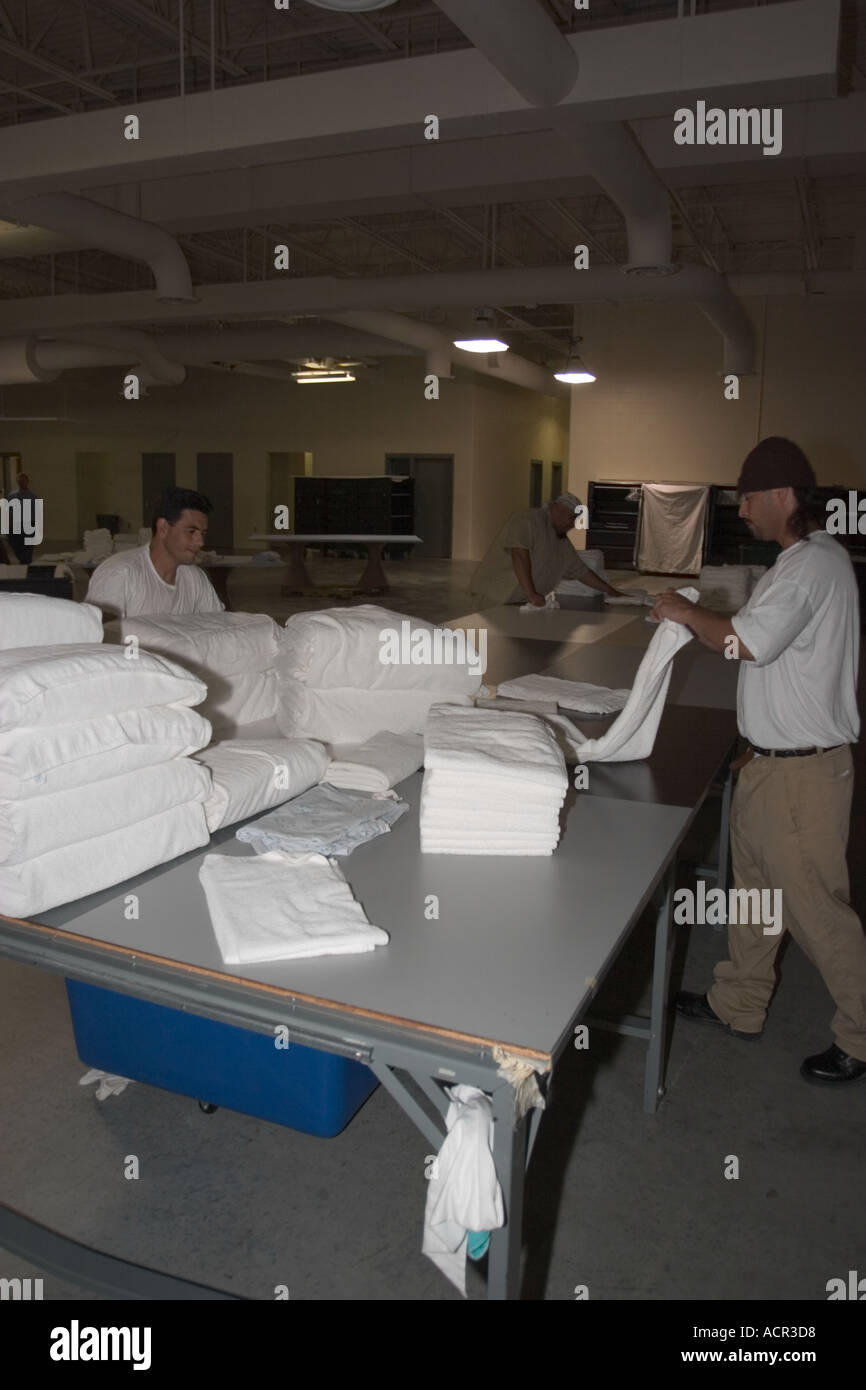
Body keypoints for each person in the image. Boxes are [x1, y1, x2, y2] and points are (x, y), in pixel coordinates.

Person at [652, 437, 865, 1085]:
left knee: (815, 911)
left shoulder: (810, 567)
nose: (741, 509)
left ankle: (861, 1033)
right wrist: (753, 745)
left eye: (747, 497)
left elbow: (747, 643)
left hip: (802, 778)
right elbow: (785, 667)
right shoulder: (799, 562)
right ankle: (737, 1004)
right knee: (755, 899)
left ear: (780, 496)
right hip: (773, 766)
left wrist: (685, 611)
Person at [86, 486, 224, 618]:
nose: (200, 542)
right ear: (163, 527)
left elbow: (218, 628)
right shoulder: (120, 574)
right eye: (191, 531)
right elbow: (97, 637)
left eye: (203, 533)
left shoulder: (195, 579)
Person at [470, 492, 625, 608]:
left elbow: (581, 571)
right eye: (572, 518)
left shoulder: (561, 541)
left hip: (522, 603)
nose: (573, 524)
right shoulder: (526, 520)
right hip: (496, 600)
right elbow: (519, 555)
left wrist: (612, 592)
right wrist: (531, 594)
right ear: (558, 510)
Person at [6, 472, 38, 565]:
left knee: (28, 546)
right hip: (16, 524)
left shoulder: (33, 496)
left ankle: (26, 562)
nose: (21, 483)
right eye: (19, 481)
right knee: (15, 543)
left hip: (29, 524)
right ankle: (23, 558)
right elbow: (9, 510)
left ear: (27, 482)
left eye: (23, 481)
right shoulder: (12, 495)